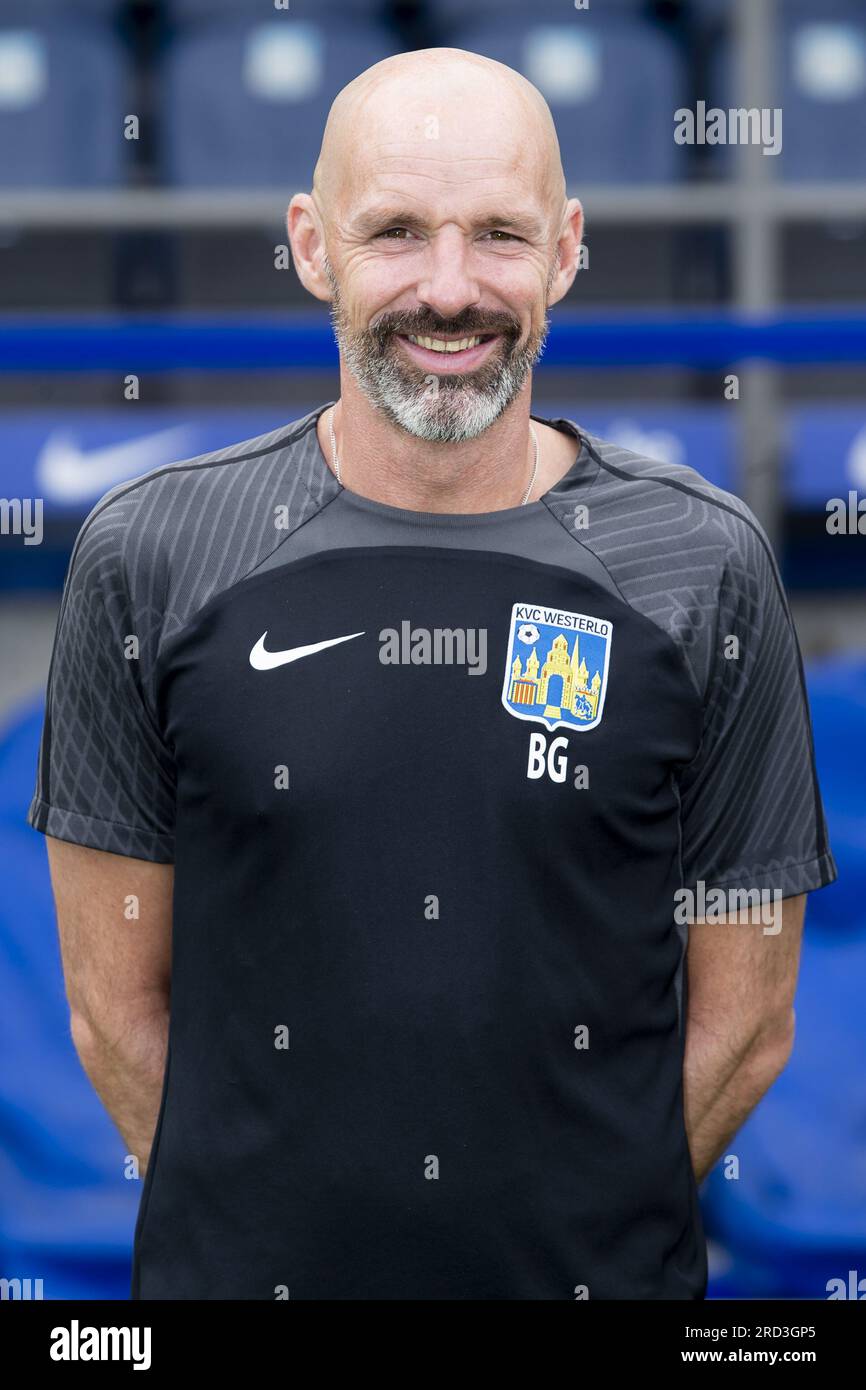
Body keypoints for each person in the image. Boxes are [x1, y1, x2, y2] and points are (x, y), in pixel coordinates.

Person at [28, 49, 837, 1300]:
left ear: (567, 249)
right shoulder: (150, 558)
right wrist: (277, 1240)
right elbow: (108, 1011)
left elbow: (748, 1020)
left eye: (498, 236)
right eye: (394, 231)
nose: (448, 292)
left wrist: (576, 1242)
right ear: (310, 245)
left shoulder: (703, 564)